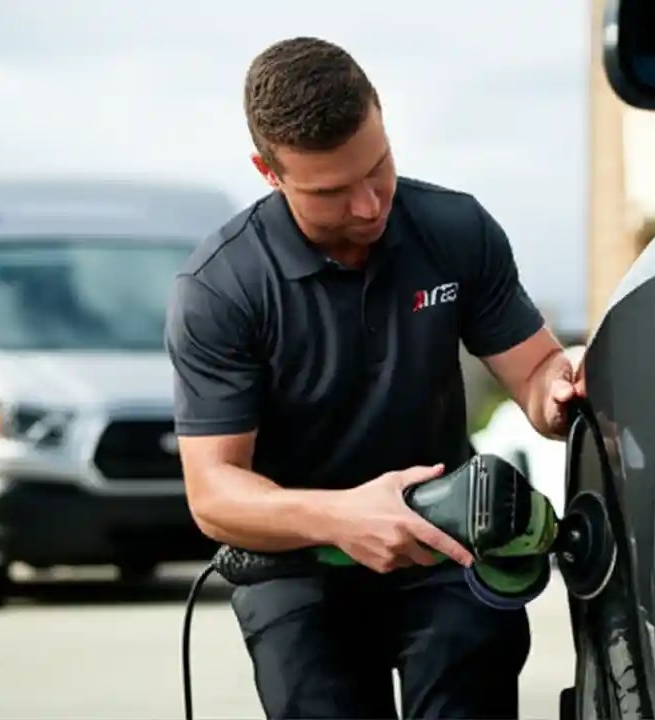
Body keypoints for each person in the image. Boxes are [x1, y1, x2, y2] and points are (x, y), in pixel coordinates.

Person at [164, 35, 583, 719]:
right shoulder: (222, 289)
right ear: (268, 172)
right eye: (331, 191)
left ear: (382, 120)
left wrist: (565, 386)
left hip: (446, 544)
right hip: (297, 566)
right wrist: (343, 516)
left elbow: (537, 375)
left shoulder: (456, 230)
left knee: (476, 655)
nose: (367, 205)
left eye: (378, 166)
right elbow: (213, 494)